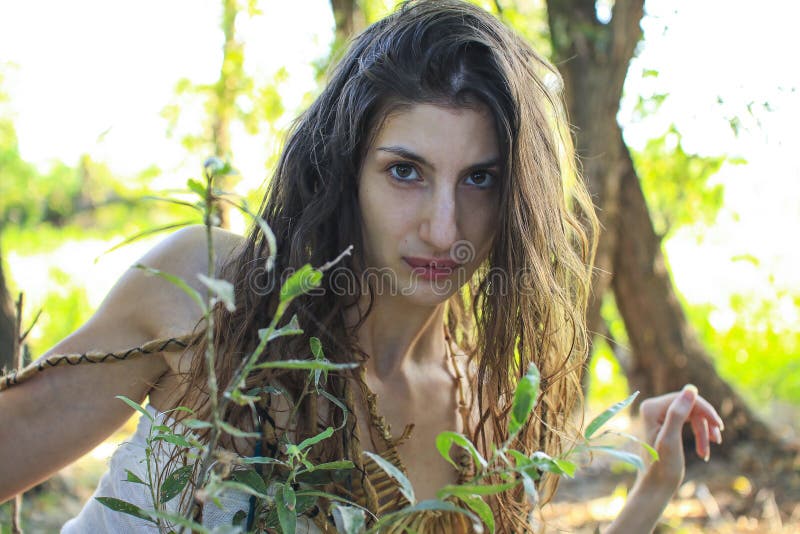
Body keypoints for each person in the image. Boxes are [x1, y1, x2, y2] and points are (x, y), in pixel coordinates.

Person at [0, 1, 724, 532]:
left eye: (480, 179)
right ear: (342, 169)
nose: (444, 231)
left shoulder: (482, 411)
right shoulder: (216, 295)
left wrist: (652, 491)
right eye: (405, 172)